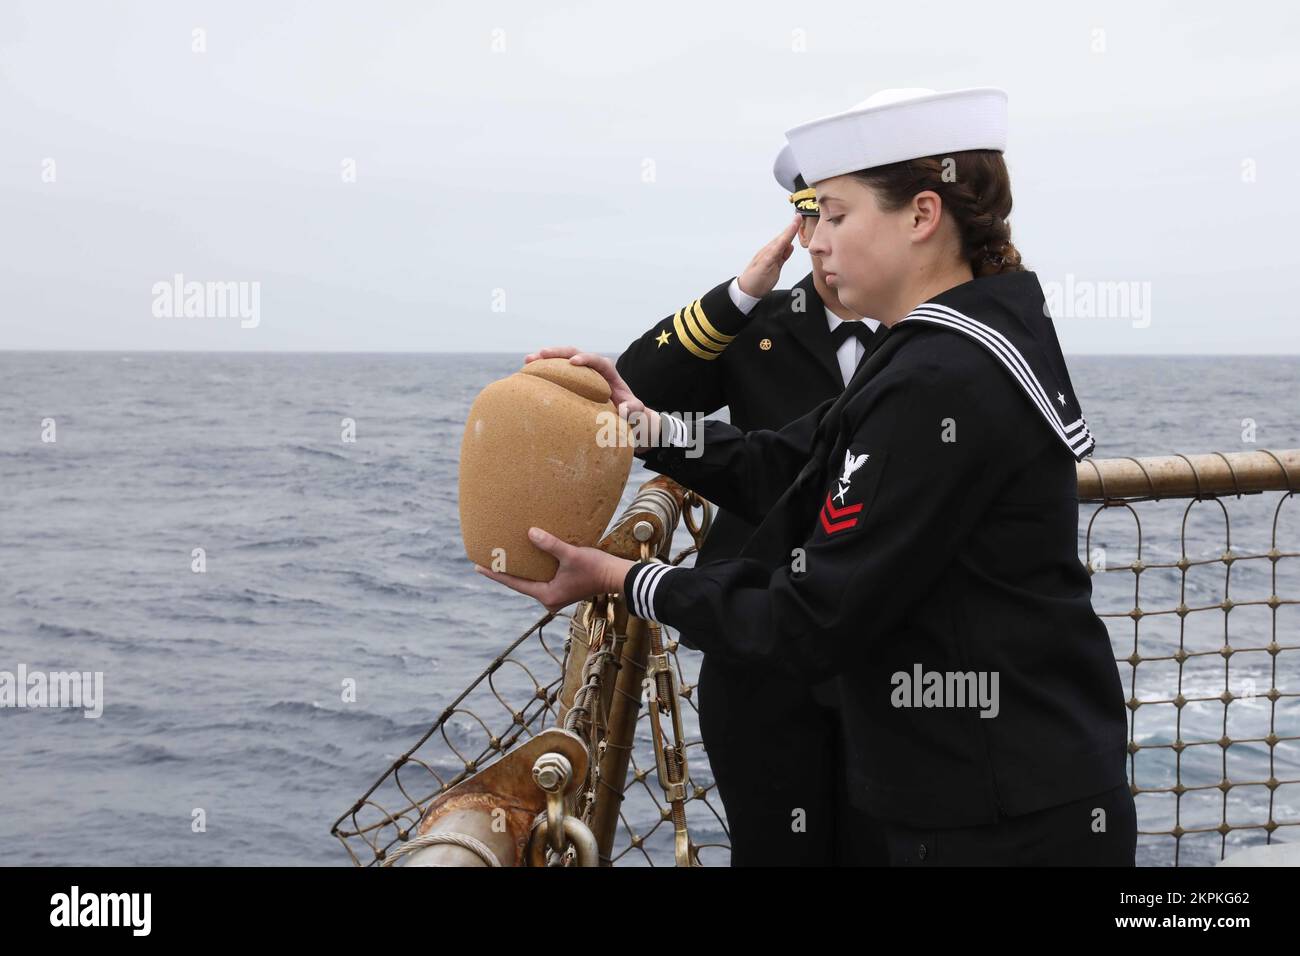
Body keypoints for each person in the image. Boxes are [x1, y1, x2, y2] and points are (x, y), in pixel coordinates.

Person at [480, 87, 1136, 865]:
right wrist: (644, 425)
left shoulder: (937, 378)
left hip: (995, 814)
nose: (812, 241)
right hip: (1000, 781)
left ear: (922, 216)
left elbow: (811, 617)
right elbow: (794, 465)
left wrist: (623, 579)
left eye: (833, 213)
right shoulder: (955, 340)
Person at [592, 150, 887, 866]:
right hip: (757, 632)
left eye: (837, 217)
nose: (821, 242)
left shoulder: (924, 337)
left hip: (883, 640)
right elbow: (634, 392)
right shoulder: (762, 324)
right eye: (811, 218)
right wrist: (741, 295)